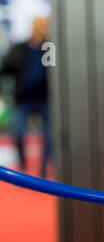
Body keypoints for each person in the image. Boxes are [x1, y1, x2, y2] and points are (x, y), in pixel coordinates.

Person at [1, 16, 52, 177]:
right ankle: (23, 167)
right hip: (23, 99)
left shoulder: (49, 49)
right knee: (17, 133)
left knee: (49, 137)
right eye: (38, 25)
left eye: (44, 26)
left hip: (45, 100)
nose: (41, 29)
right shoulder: (21, 48)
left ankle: (43, 170)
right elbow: (7, 69)